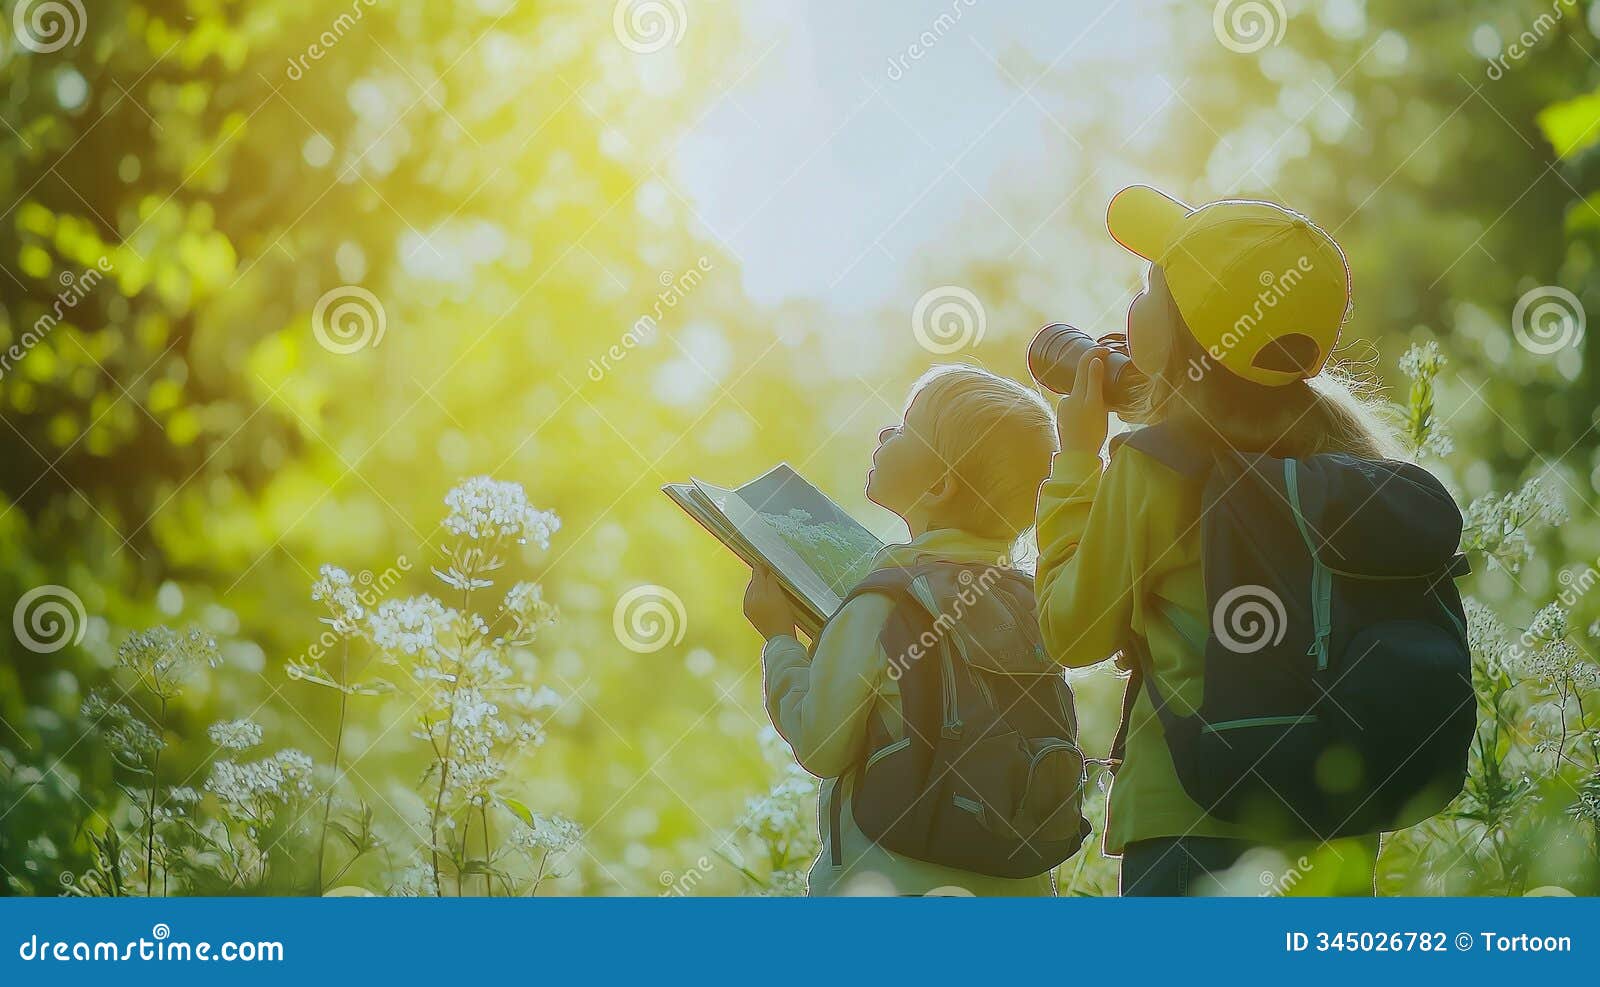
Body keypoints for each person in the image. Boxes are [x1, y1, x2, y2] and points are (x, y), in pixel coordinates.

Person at [1036, 186, 1403, 896]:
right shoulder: (1357, 463)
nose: (1132, 305)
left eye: (1148, 287)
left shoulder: (1155, 465)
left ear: (1180, 329)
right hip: (1335, 825)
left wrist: (1077, 457)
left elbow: (1069, 629)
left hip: (1190, 821)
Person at [743, 365, 1061, 896]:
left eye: (906, 427)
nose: (884, 433)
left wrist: (779, 639)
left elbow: (820, 744)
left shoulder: (882, 602)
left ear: (938, 485)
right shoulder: (1032, 604)